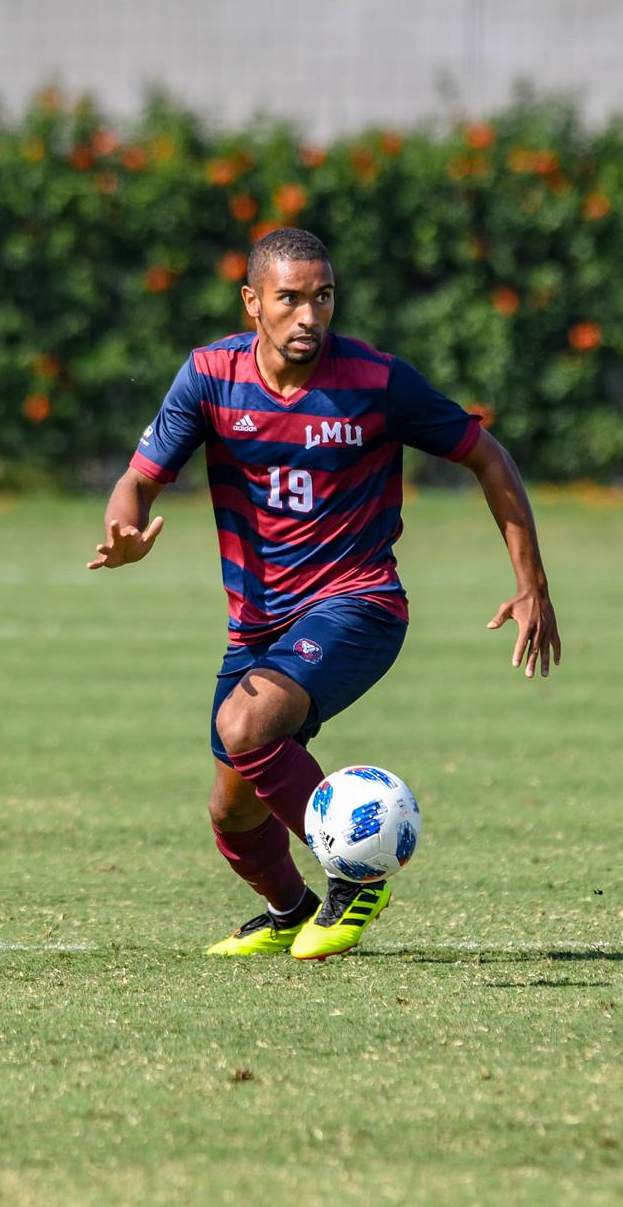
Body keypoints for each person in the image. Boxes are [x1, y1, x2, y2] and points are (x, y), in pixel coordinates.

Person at [88, 227, 560, 960]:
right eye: (290, 298)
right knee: (231, 808)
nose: (309, 315)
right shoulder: (210, 376)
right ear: (253, 303)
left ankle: (357, 873)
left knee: (247, 728)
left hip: (358, 603)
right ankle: (288, 910)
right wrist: (123, 527)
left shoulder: (377, 381)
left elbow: (488, 457)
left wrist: (532, 583)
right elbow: (139, 478)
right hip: (257, 624)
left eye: (323, 297)